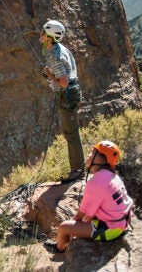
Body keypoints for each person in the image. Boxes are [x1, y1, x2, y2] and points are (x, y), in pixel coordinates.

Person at [46, 140, 134, 254]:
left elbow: (81, 215)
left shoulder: (97, 182)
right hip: (122, 221)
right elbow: (92, 213)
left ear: (100, 160)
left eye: (92, 153)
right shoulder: (112, 176)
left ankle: (60, 249)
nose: (88, 155)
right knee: (84, 222)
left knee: (63, 227)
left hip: (111, 229)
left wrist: (71, 230)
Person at [40, 18, 85, 182]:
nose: (40, 35)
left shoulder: (53, 54)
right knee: (72, 131)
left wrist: (49, 75)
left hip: (66, 95)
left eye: (43, 32)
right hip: (72, 93)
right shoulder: (60, 48)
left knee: (71, 133)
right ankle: (78, 167)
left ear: (50, 37)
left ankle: (78, 170)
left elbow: (64, 83)